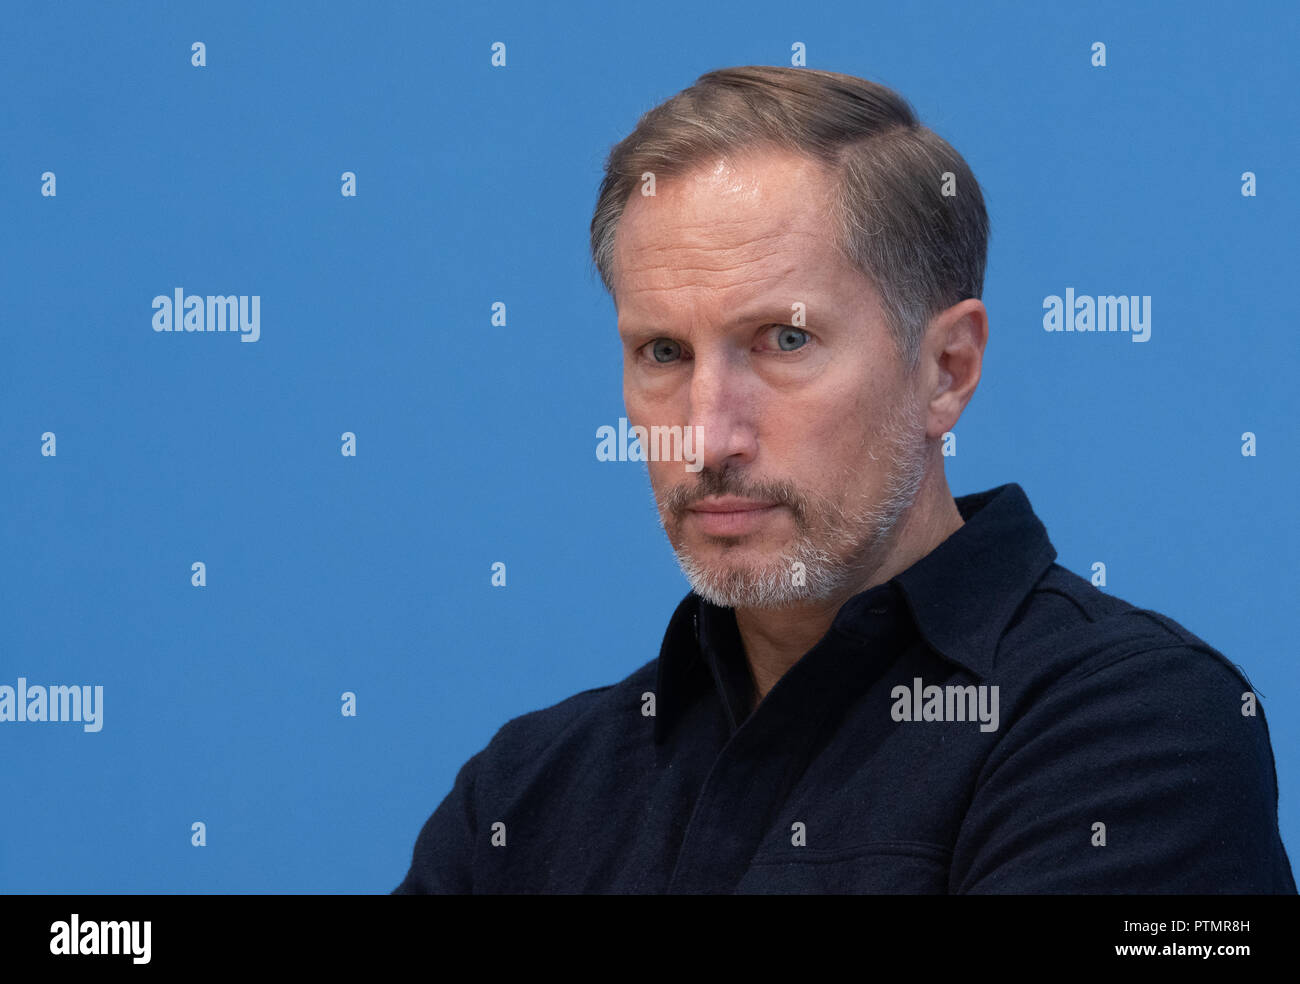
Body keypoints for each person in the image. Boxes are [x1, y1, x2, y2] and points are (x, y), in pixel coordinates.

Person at [394, 66, 1295, 893]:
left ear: (945, 369)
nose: (707, 437)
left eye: (784, 341)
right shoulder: (523, 792)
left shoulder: (1140, 730)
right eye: (663, 352)